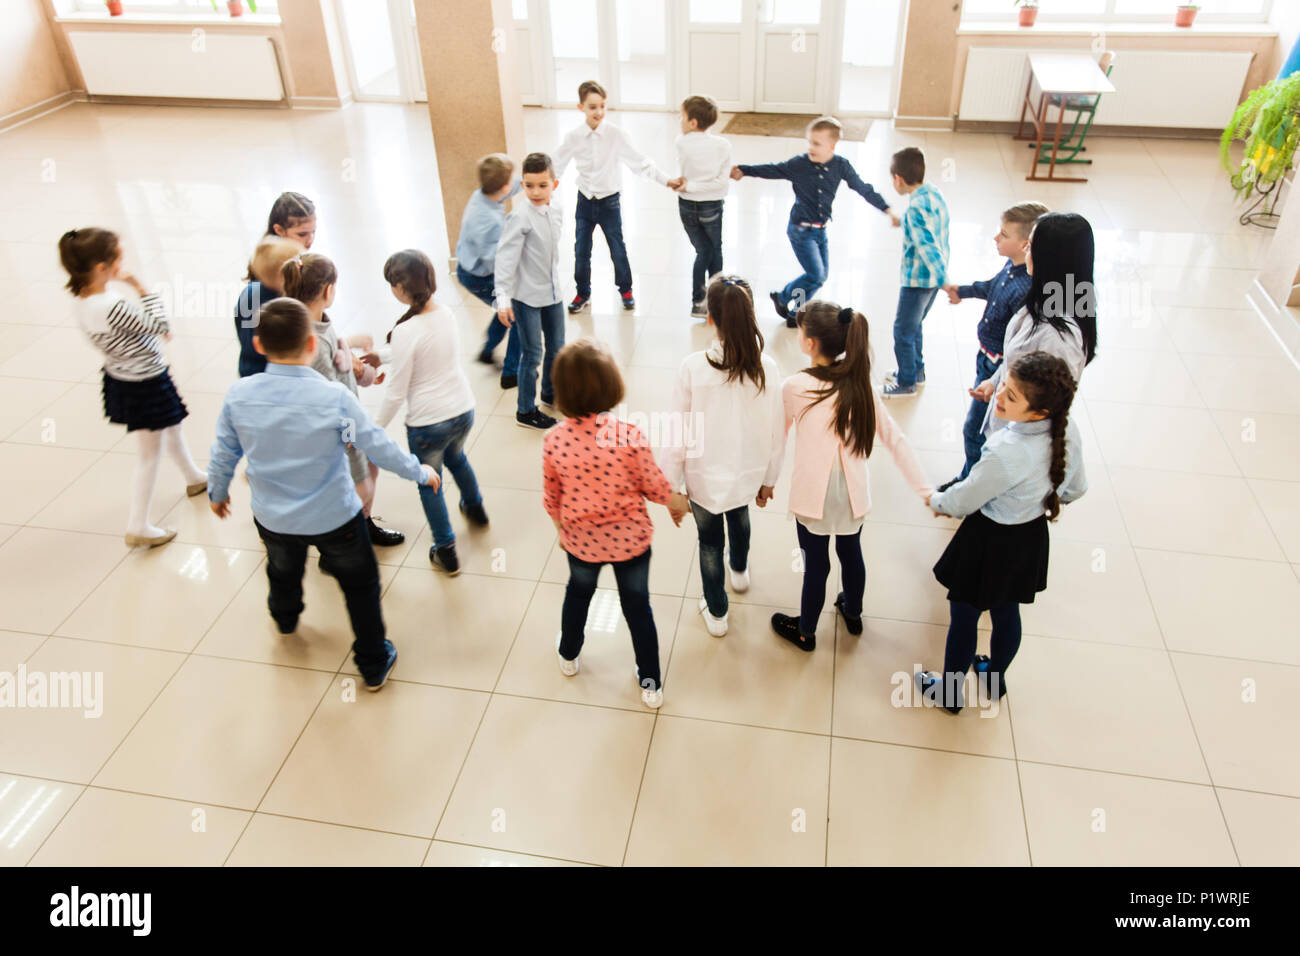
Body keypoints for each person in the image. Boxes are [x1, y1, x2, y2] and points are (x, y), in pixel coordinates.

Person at [207, 298, 440, 692]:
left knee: (282, 570)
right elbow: (376, 446)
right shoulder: (334, 399)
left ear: (259, 344)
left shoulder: (239, 395)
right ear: (313, 346)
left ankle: (284, 617)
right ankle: (372, 661)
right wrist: (420, 471)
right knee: (360, 586)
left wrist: (217, 490)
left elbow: (225, 449)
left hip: (273, 518)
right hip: (336, 517)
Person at [917, 351, 1087, 714]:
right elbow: (1075, 488)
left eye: (1011, 396)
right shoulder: (1067, 429)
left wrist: (937, 499)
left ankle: (948, 691)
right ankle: (994, 677)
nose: (999, 397)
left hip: (988, 541)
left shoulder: (1006, 451)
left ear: (1038, 412)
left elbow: (963, 500)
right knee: (1007, 612)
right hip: (1028, 538)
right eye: (1003, 387)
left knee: (964, 618)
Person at [772, 300, 930, 651]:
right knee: (851, 551)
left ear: (810, 343)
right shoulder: (862, 386)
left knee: (816, 565)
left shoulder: (795, 385)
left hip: (815, 494)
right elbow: (896, 440)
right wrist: (926, 490)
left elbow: (776, 439)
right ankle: (853, 611)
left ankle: (806, 631)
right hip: (852, 492)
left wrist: (768, 481)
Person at [544, 339, 689, 710]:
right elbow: (653, 484)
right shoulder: (628, 434)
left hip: (581, 543)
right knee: (638, 608)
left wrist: (561, 529)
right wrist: (676, 502)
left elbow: (552, 497)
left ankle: (568, 653)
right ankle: (651, 681)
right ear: (611, 384)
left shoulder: (554, 441)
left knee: (578, 596)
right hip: (631, 544)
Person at [59, 227, 209, 549]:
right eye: (119, 259)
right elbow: (161, 327)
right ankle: (138, 524)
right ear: (102, 268)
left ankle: (194, 477)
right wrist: (139, 287)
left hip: (121, 377)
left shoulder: (81, 301)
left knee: (171, 428)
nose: (122, 264)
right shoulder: (112, 305)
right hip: (146, 381)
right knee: (149, 454)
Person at [659, 275, 783, 637]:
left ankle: (716, 613)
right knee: (740, 519)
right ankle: (740, 570)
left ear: (710, 318)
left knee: (709, 542)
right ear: (751, 314)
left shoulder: (693, 368)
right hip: (747, 475)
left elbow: (677, 435)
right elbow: (778, 431)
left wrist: (671, 488)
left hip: (704, 482)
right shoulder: (768, 369)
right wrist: (769, 479)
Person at [280, 252, 405, 548]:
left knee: (367, 469)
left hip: (345, 423)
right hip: (341, 430)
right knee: (357, 480)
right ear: (328, 291)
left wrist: (360, 369)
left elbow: (335, 362)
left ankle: (360, 523)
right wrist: (350, 435)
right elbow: (327, 396)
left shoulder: (316, 321)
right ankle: (343, 538)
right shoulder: (312, 341)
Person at [377, 249, 487, 577]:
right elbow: (425, 351)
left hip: (428, 425)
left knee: (430, 483)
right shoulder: (446, 314)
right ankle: (476, 508)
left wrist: (372, 430)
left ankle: (446, 548)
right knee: (457, 459)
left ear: (399, 287)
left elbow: (396, 393)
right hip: (462, 411)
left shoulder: (405, 330)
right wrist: (382, 355)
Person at [731, 116, 899, 326]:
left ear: (832, 145)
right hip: (800, 230)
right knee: (816, 275)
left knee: (819, 276)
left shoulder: (841, 165)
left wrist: (887, 209)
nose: (811, 147)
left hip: (820, 231)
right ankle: (783, 297)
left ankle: (794, 313)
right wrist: (744, 169)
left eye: (817, 143)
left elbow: (863, 188)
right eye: (809, 142)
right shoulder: (799, 164)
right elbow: (772, 169)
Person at [937, 201, 1048, 487]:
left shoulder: (1027, 290)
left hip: (1000, 366)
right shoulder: (1011, 267)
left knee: (975, 429)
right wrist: (963, 291)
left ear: (1026, 245)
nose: (996, 238)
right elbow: (992, 287)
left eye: (1003, 234)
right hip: (985, 358)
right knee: (978, 427)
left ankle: (971, 484)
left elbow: (1020, 343)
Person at [969, 211, 1099, 440]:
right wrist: (995, 381)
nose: (1025, 252)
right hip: (1005, 426)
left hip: (1017, 437)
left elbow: (1046, 403)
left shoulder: (1058, 339)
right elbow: (1021, 357)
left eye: (1030, 246)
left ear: (1050, 259)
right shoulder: (1052, 296)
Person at [553, 80, 672, 313]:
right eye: (592, 107)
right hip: (585, 200)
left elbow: (640, 163)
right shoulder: (573, 137)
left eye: (602, 106)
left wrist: (666, 180)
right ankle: (582, 293)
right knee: (581, 250)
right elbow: (556, 165)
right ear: (581, 108)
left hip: (610, 202)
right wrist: (539, 191)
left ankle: (625, 290)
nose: (598, 112)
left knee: (617, 247)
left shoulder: (617, 135)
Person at [494, 152, 566, 431]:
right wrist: (503, 299)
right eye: (529, 185)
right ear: (521, 185)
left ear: (554, 185)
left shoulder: (556, 209)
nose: (535, 192)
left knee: (557, 348)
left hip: (553, 294)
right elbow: (505, 259)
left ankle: (550, 392)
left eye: (542, 185)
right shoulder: (519, 217)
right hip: (526, 298)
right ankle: (525, 410)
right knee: (533, 353)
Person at [881, 147, 951, 398]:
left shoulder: (914, 211)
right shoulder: (932, 194)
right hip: (931, 280)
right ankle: (916, 370)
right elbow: (930, 230)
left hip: (918, 280)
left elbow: (927, 247)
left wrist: (946, 281)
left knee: (902, 331)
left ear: (898, 179)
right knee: (915, 326)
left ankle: (907, 381)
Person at [455, 153, 523, 388]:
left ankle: (487, 350)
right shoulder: (487, 222)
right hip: (478, 276)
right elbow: (497, 261)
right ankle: (512, 372)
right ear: (503, 186)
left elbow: (512, 187)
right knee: (517, 316)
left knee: (505, 308)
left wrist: (529, 182)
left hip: (473, 267)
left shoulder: (483, 195)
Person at [671, 95, 732, 317]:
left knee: (702, 250)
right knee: (714, 249)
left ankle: (698, 303)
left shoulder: (681, 142)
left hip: (686, 205)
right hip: (712, 207)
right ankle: (717, 302)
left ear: (693, 122)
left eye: (682, 116)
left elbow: (686, 177)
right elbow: (721, 183)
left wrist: (689, 186)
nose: (680, 120)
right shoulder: (723, 146)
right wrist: (699, 186)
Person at [235, 235, 301, 378]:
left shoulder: (250, 290)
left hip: (247, 366)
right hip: (271, 372)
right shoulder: (280, 307)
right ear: (283, 277)